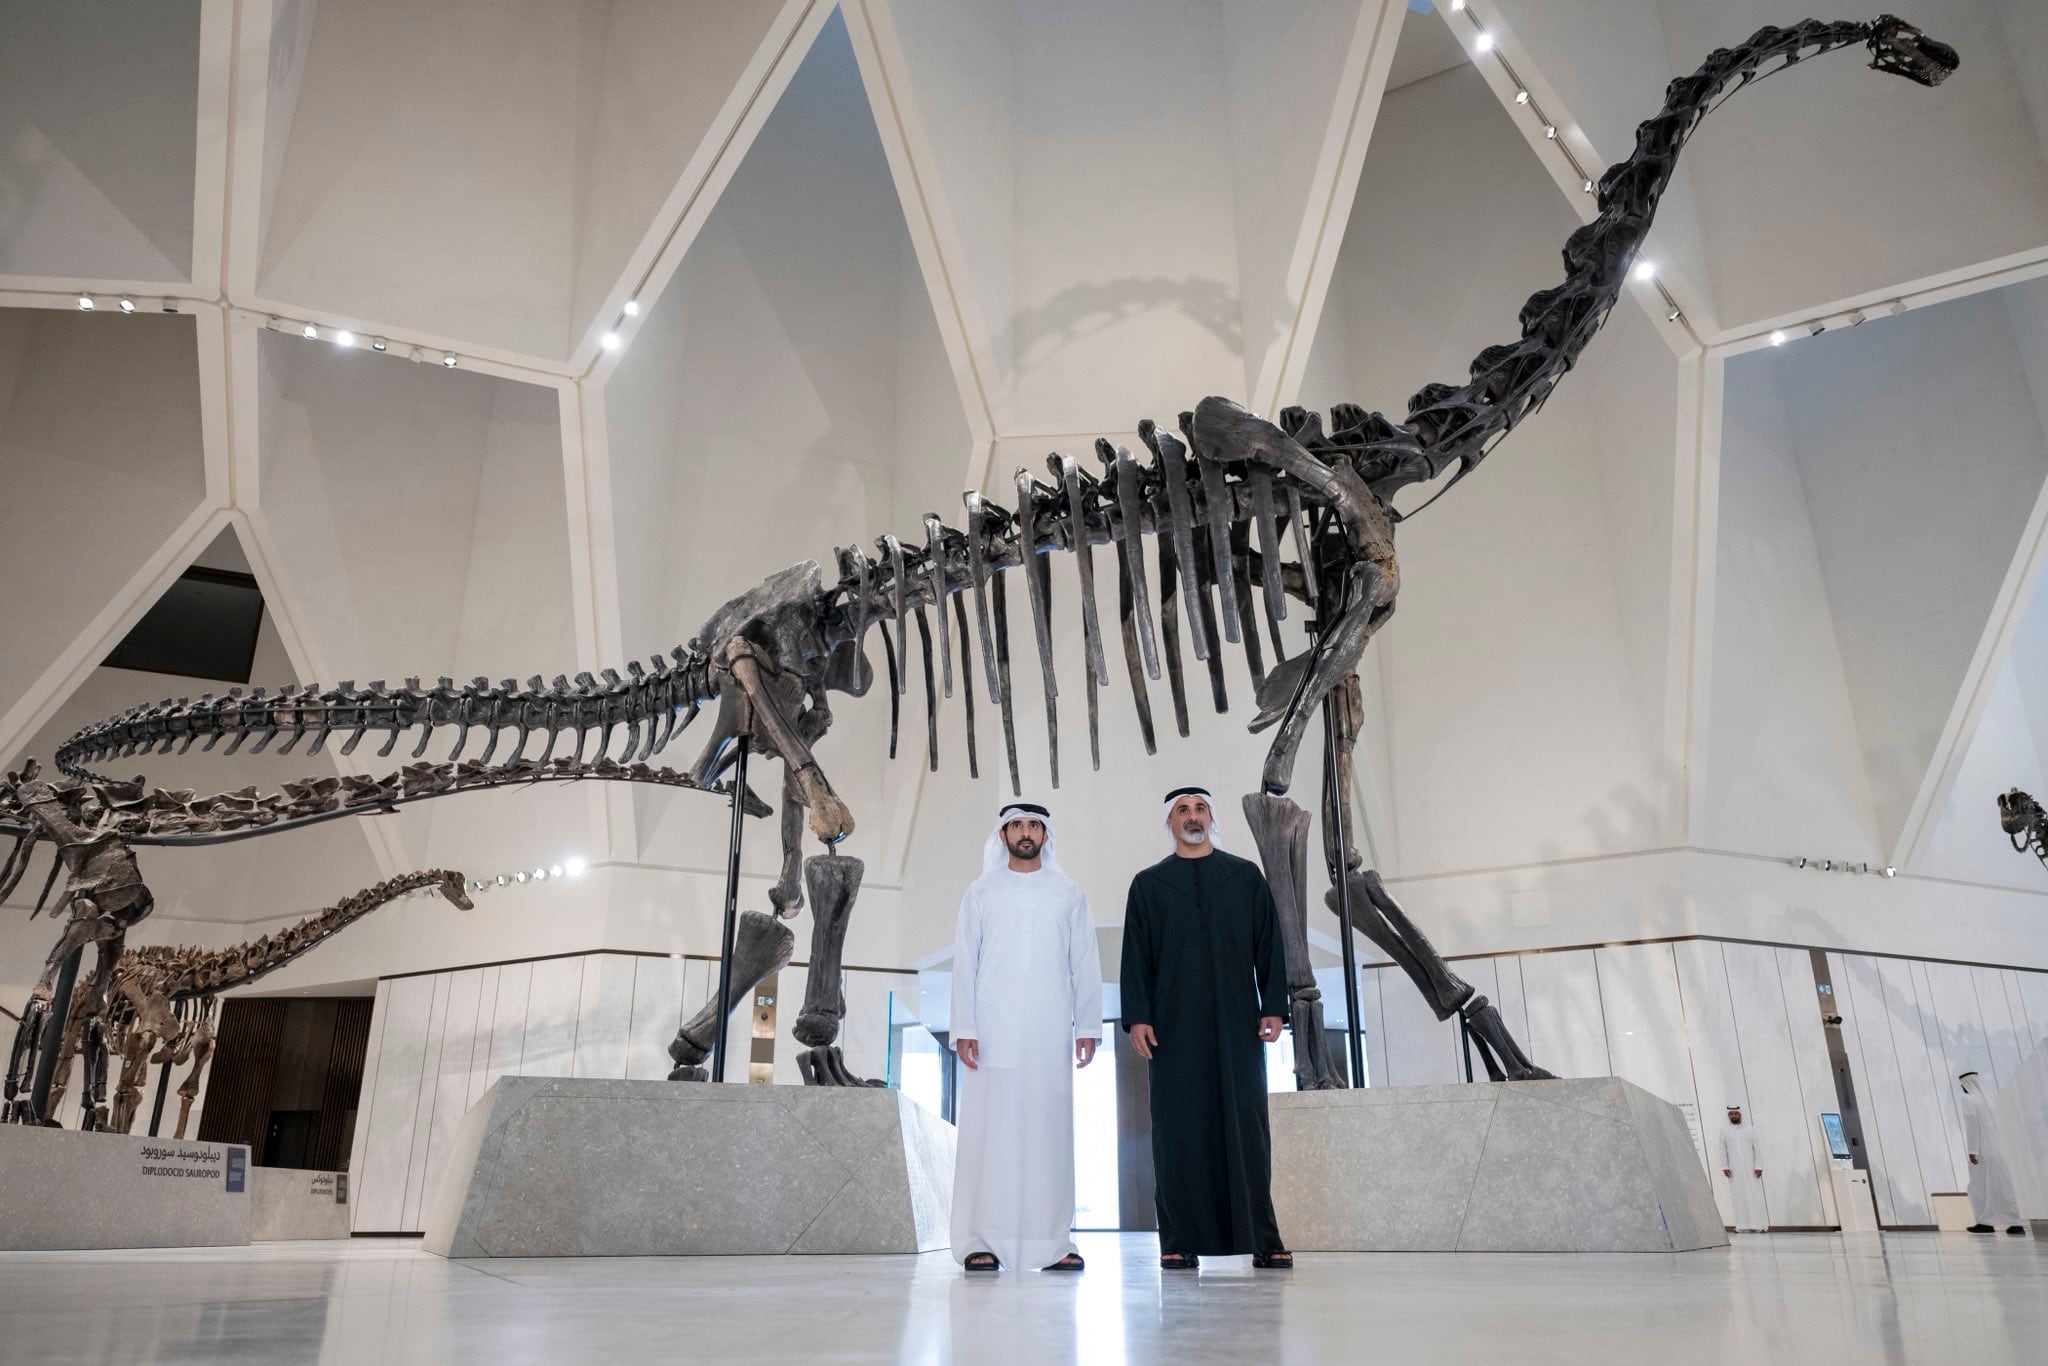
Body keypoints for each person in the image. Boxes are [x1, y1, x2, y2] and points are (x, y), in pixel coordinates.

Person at [1120, 786, 1291, 1270]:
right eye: (1182, 810)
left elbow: (1269, 945)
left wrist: (1272, 1004)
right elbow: (1136, 958)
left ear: (1210, 819)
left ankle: (1264, 1237)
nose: (1192, 816)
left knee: (1247, 1127)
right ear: (1169, 823)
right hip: (1173, 1030)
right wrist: (1138, 1016)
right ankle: (1178, 1240)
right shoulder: (1149, 885)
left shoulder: (1244, 877)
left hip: (1238, 1024)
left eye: (1199, 809)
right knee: (1177, 1129)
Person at [950, 802, 1104, 1273]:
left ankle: (1055, 1242)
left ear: (1044, 834)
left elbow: (1085, 962)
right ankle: (981, 1240)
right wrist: (964, 1027)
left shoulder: (1068, 894)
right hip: (992, 1033)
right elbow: (964, 963)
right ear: (1002, 835)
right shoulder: (979, 893)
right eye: (1016, 825)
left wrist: (1090, 1025)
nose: (1025, 832)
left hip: (1049, 1032)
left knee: (1048, 1132)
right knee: (989, 1132)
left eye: (1033, 825)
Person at [1957, 1072, 2026, 1234]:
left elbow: (1972, 1125)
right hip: (1999, 1151)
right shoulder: (1989, 1101)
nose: (1962, 1087)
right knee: (2003, 1187)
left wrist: (1972, 1151)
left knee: (1980, 1186)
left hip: (1983, 1151)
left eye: (1962, 1084)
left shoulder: (1968, 1100)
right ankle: (2016, 1222)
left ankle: (1985, 1222)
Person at [1720, 1104, 1768, 1233]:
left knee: (1754, 1194)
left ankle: (1759, 1225)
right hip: (1734, 1169)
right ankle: (1741, 1226)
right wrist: (1725, 1166)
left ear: (1741, 1114)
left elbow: (1757, 1148)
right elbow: (1722, 1149)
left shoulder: (1750, 1129)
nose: (1734, 1116)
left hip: (1751, 1168)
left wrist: (1759, 1166)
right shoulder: (1724, 1130)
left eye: (1736, 1113)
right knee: (1738, 1196)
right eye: (1731, 1114)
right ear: (1728, 1115)